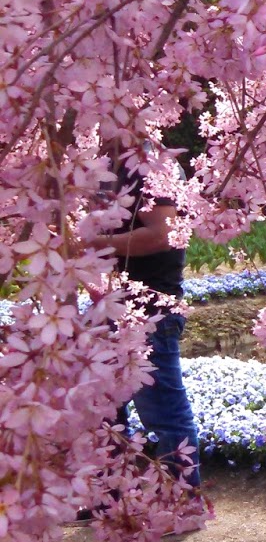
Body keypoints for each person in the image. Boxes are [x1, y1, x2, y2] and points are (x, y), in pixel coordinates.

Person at [90, 165, 203, 498]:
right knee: (102, 409)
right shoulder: (102, 162)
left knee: (162, 413)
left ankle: (181, 501)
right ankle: (110, 500)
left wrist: (89, 243)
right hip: (110, 306)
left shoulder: (150, 165)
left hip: (150, 312)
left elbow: (161, 234)